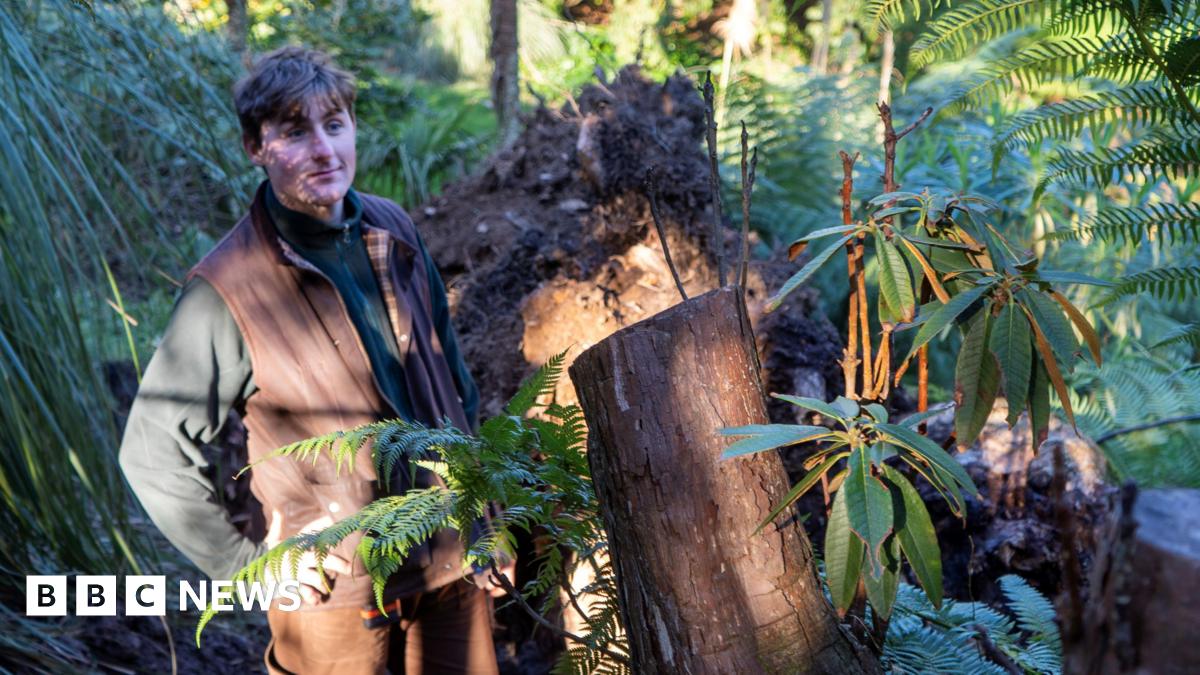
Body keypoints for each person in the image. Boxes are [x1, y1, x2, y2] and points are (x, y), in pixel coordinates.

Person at [119, 46, 505, 674]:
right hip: (333, 587)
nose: (325, 150)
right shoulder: (228, 288)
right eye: (296, 133)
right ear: (256, 147)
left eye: (335, 124)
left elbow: (452, 381)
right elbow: (151, 452)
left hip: (449, 558)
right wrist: (248, 570)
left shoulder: (393, 229)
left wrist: (483, 515)